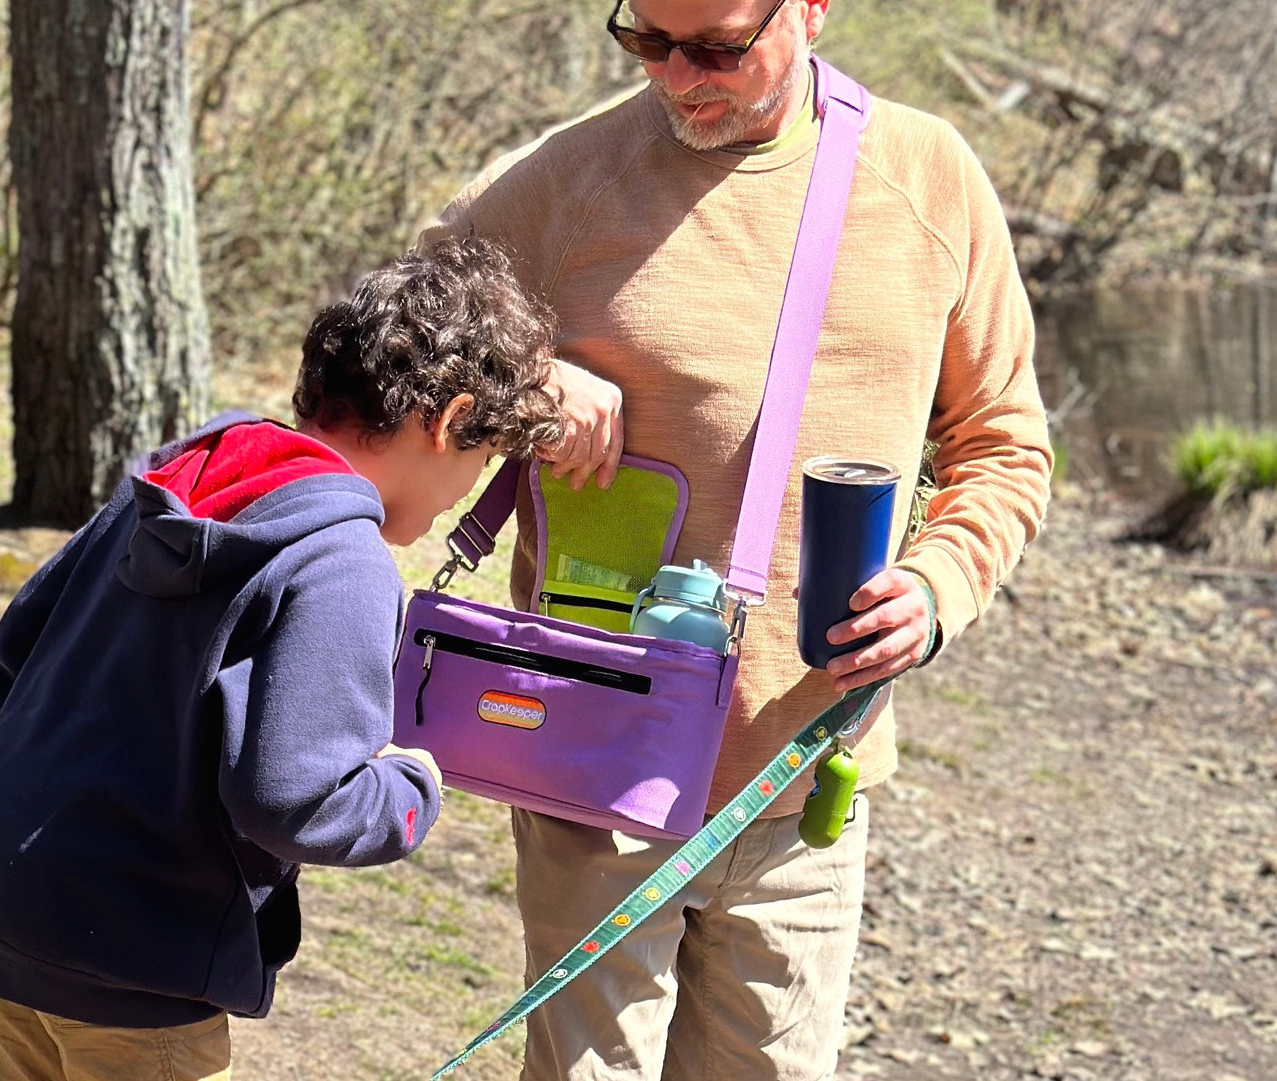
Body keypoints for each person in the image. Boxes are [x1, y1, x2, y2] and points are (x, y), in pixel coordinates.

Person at [419, 1, 1054, 1078]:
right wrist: (530, 380)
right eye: (648, 42)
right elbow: (396, 343)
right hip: (595, 759)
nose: (679, 78)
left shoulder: (927, 177)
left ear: (810, 10)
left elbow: (1003, 443)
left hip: (803, 772)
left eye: (718, 47)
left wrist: (940, 584)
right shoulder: (561, 181)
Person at [0, 236, 564, 1081]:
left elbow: (20, 642)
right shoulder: (343, 559)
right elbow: (294, 798)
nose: (466, 494)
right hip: (137, 959)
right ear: (448, 420)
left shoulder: (190, 467)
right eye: (482, 461)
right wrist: (413, 787)